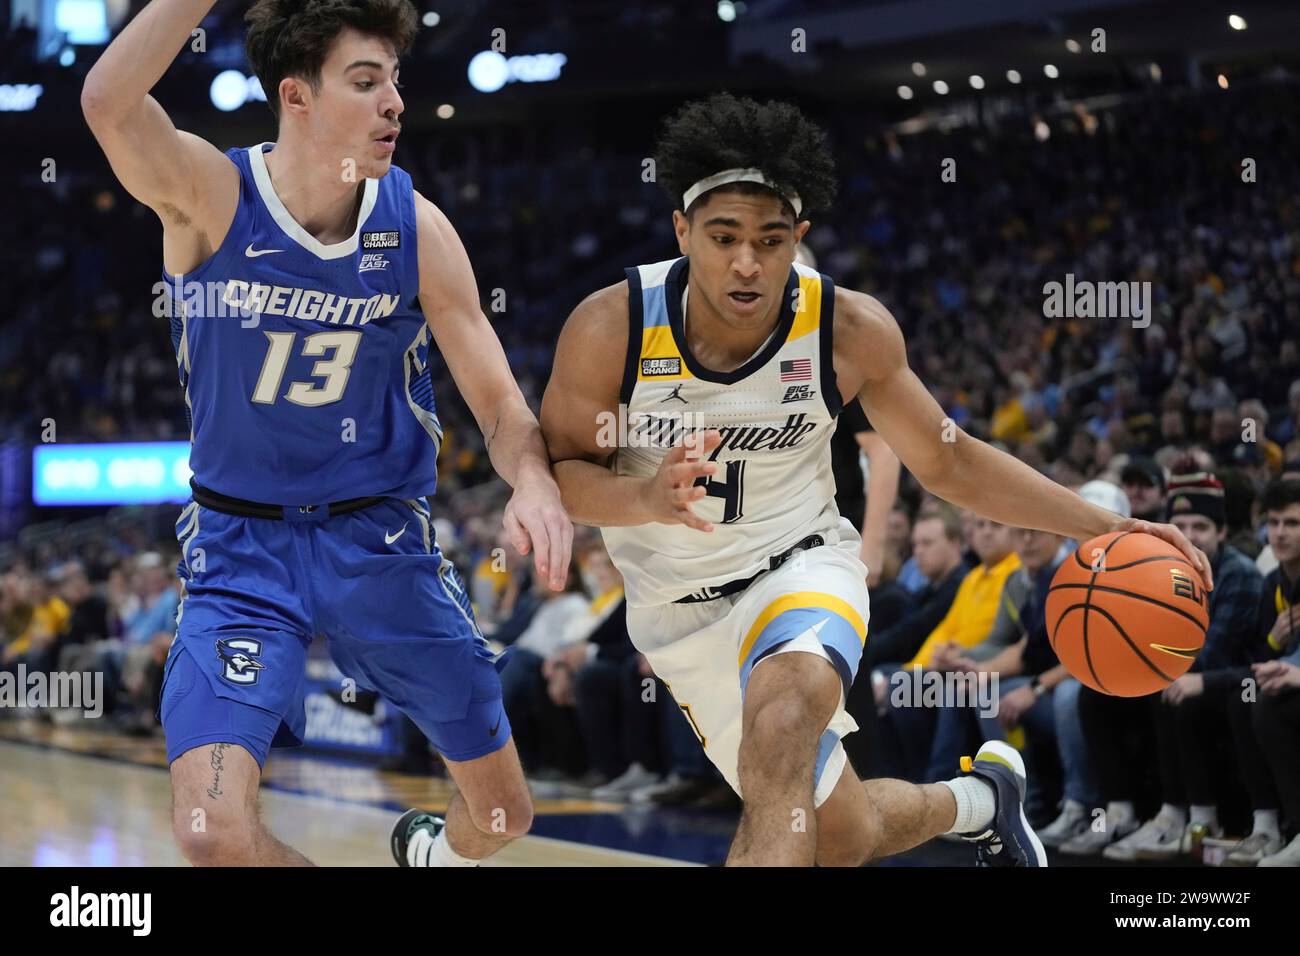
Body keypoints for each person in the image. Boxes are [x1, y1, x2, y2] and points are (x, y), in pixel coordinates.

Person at [539, 92, 1211, 866]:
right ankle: (980, 802)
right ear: (682, 231)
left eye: (771, 238)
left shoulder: (847, 328)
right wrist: (643, 497)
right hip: (677, 614)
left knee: (786, 717)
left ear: (801, 237)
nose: (748, 262)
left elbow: (949, 458)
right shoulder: (611, 325)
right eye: (723, 238)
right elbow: (563, 475)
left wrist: (1107, 527)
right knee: (842, 835)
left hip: (802, 566)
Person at [81, 0, 571, 867]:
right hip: (241, 549)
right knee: (209, 830)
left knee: (504, 819)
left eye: (395, 82)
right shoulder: (210, 195)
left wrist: (531, 480)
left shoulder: (415, 229)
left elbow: (499, 406)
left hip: (378, 536)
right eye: (365, 81)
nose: (394, 103)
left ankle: (429, 854)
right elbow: (108, 103)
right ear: (295, 97)